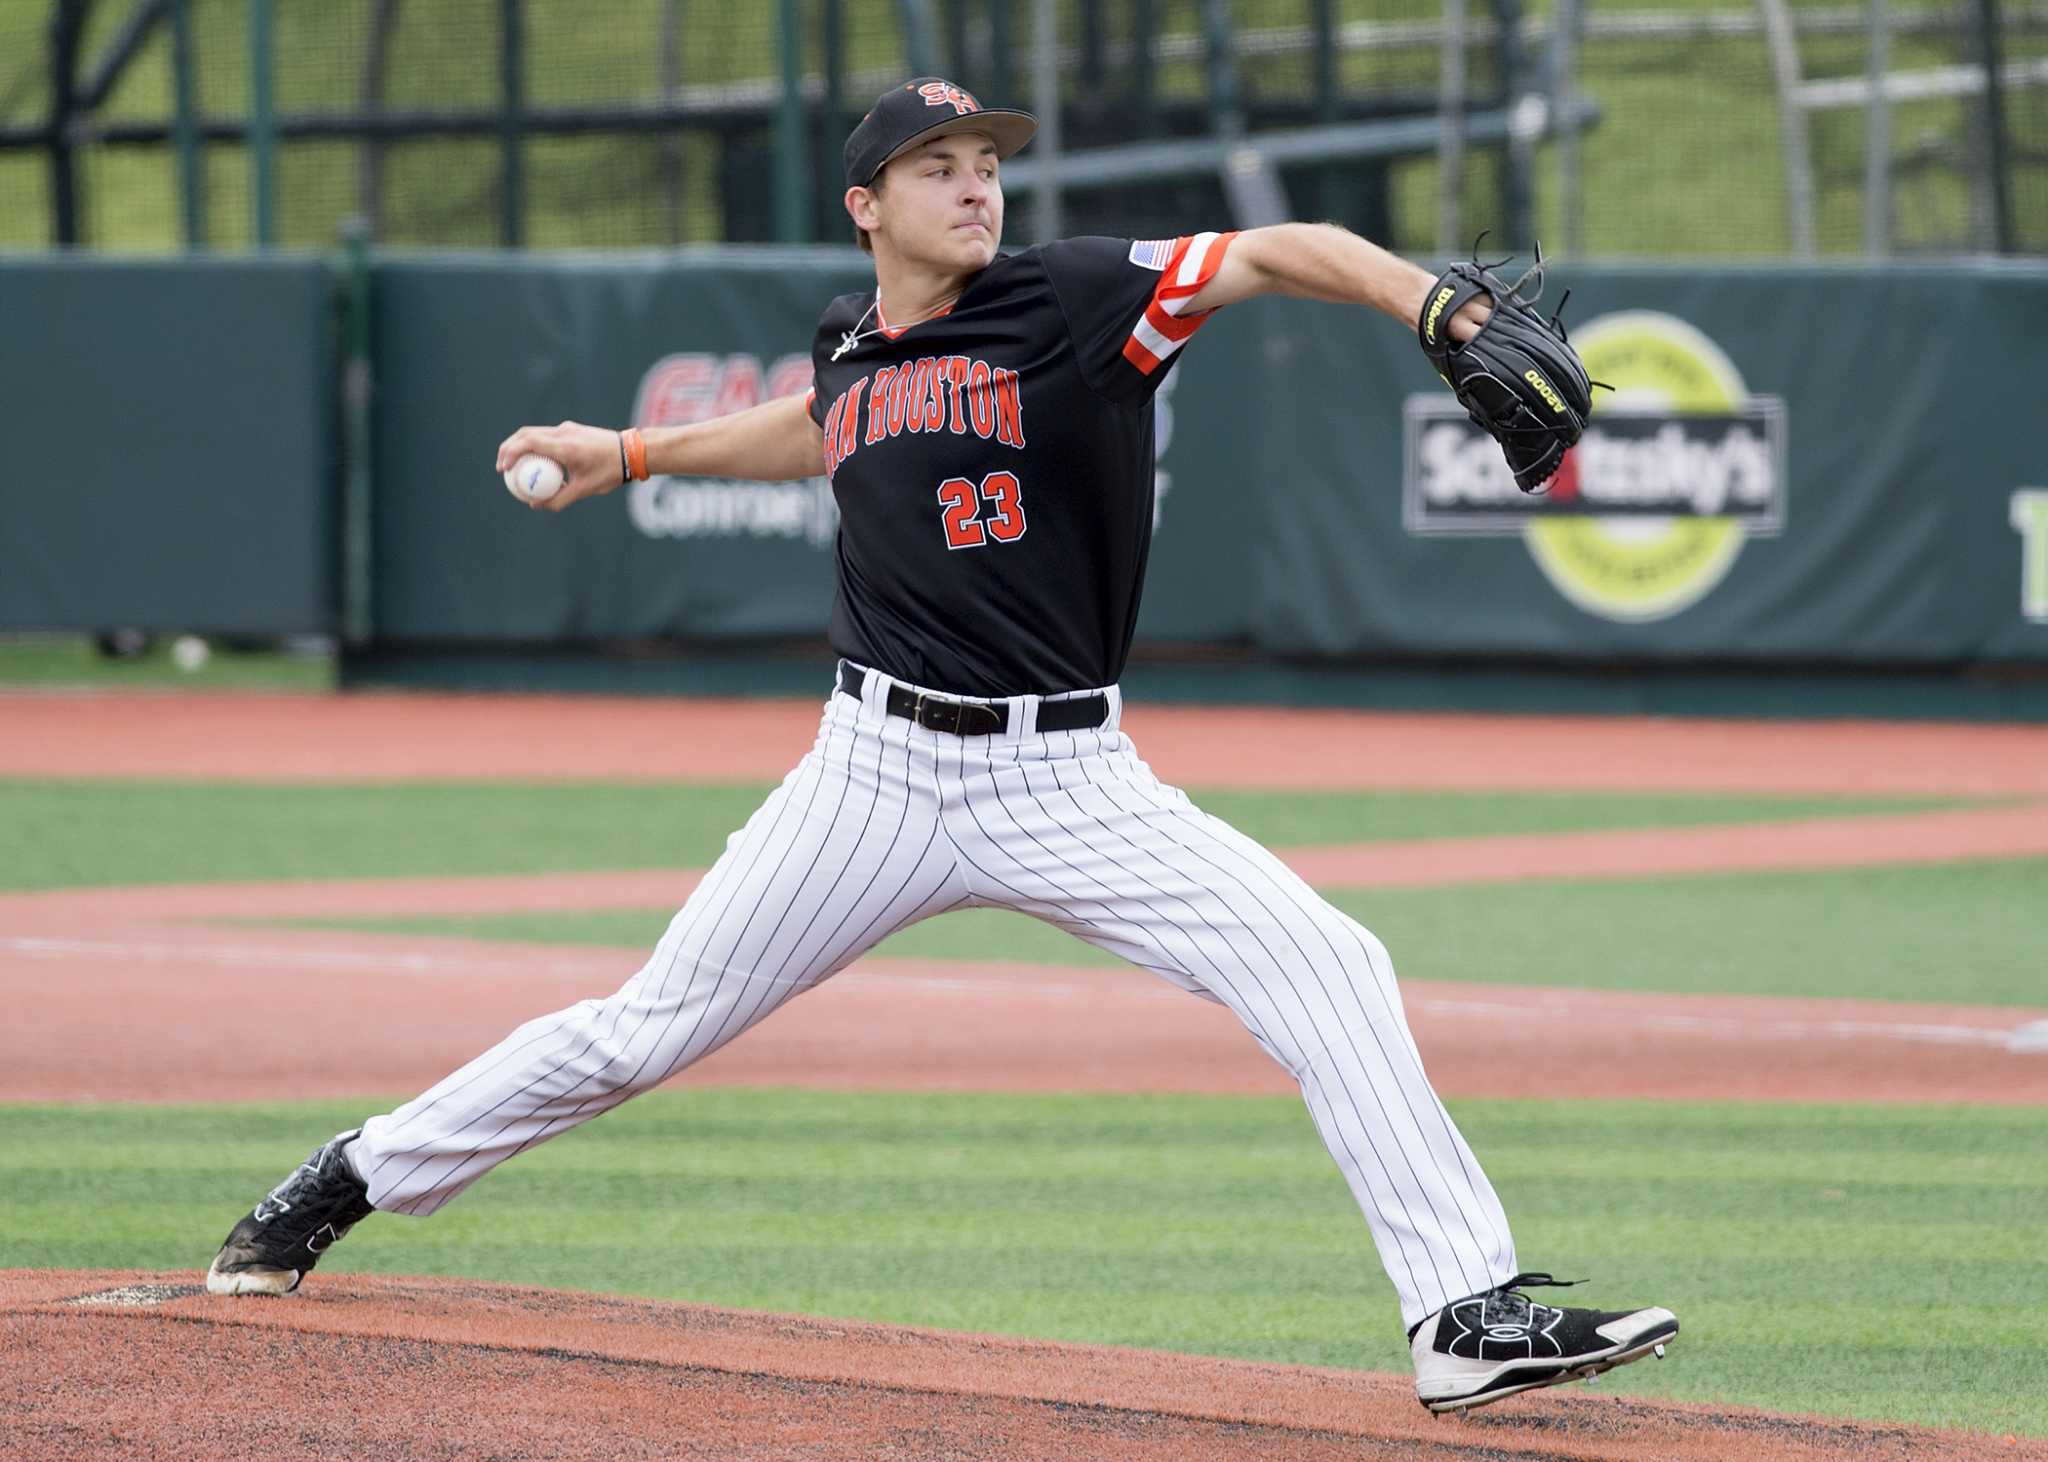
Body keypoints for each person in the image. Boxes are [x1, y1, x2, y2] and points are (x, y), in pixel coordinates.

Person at [207, 77, 1676, 1414]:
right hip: (875, 776)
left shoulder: (1075, 301)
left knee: (1329, 962)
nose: (974, 186)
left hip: (1072, 778)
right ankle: (349, 1174)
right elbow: (824, 424)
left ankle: (1460, 1313)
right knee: (641, 1028)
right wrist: (635, 451)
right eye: (936, 166)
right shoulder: (851, 342)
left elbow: (1281, 248)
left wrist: (1446, 314)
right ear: (867, 206)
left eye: (984, 162)